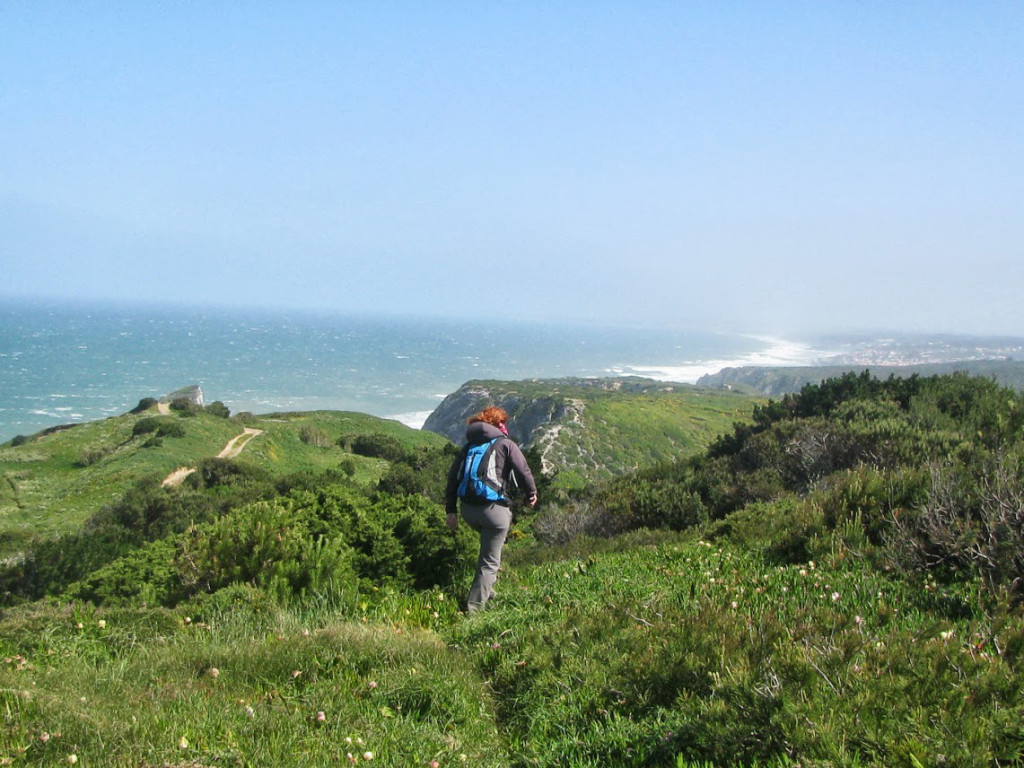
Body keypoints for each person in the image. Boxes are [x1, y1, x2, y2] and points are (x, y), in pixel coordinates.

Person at [445, 406, 538, 613]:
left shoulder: (468, 446)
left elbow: (453, 479)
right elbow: (523, 471)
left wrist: (451, 511)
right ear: (499, 425)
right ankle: (474, 610)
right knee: (488, 562)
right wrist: (531, 494)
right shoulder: (506, 444)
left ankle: (487, 591)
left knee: (489, 551)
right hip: (494, 512)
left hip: (468, 510)